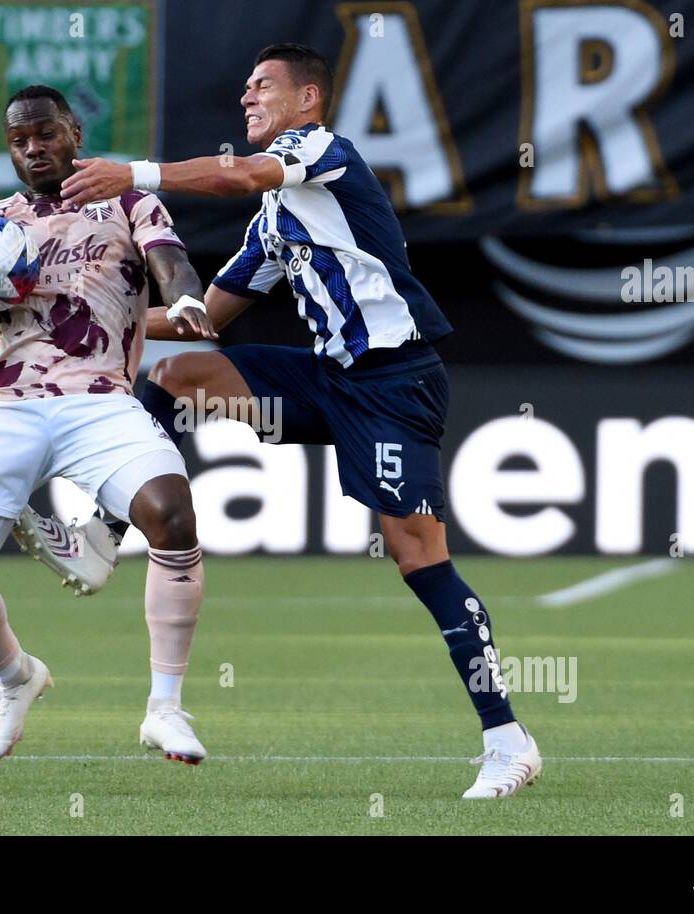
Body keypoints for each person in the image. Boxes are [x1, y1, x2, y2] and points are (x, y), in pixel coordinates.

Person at [57, 44, 542, 798]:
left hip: (393, 383)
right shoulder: (277, 221)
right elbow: (201, 320)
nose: (246, 97)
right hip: (327, 382)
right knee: (177, 376)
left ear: (308, 97)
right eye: (244, 87)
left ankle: (508, 739)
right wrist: (85, 318)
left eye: (262, 86)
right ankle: (102, 534)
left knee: (418, 558)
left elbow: (240, 172)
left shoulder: (322, 152)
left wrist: (134, 174)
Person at [0, 85, 218, 766]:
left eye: (45, 134)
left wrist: (187, 293)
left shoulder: (128, 199)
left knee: (171, 512)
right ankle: (17, 677)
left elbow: (169, 258)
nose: (33, 148)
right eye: (19, 141)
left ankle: (165, 708)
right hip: (8, 406)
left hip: (100, 399)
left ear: (74, 131)